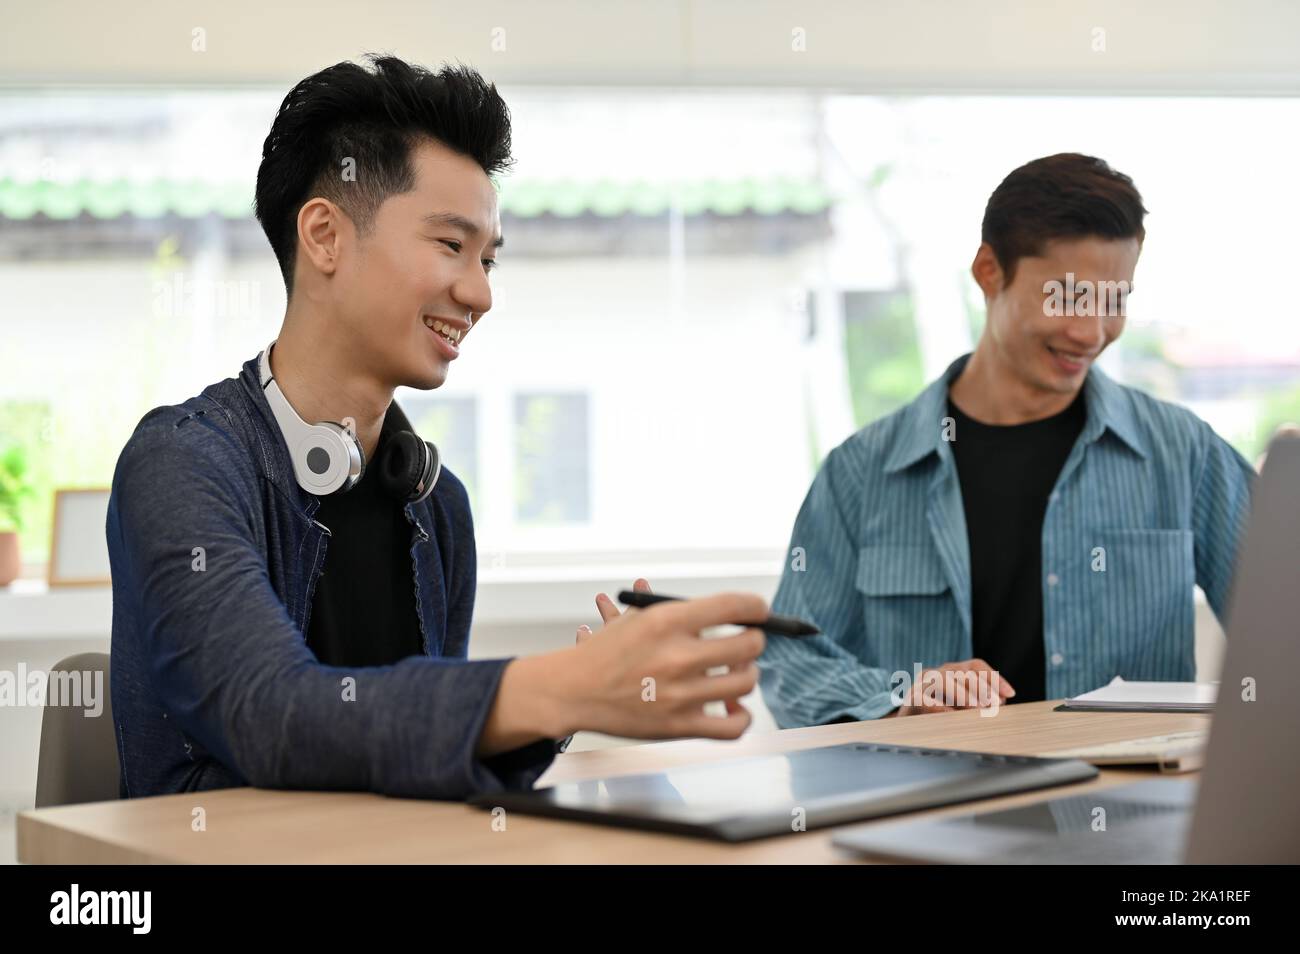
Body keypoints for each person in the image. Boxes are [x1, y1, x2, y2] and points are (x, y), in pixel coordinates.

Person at [107, 55, 765, 799]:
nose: (480, 292)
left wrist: (576, 699)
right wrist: (557, 687)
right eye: (451, 246)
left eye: (487, 258)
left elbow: (407, 755)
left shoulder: (435, 503)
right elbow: (271, 715)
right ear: (324, 236)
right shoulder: (182, 464)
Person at [758, 153, 1255, 725]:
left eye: (1115, 300)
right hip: (930, 807)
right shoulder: (860, 473)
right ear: (989, 271)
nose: (1091, 332)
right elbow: (791, 664)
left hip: (1129, 810)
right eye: (1067, 297)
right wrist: (903, 696)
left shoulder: (1185, 454)